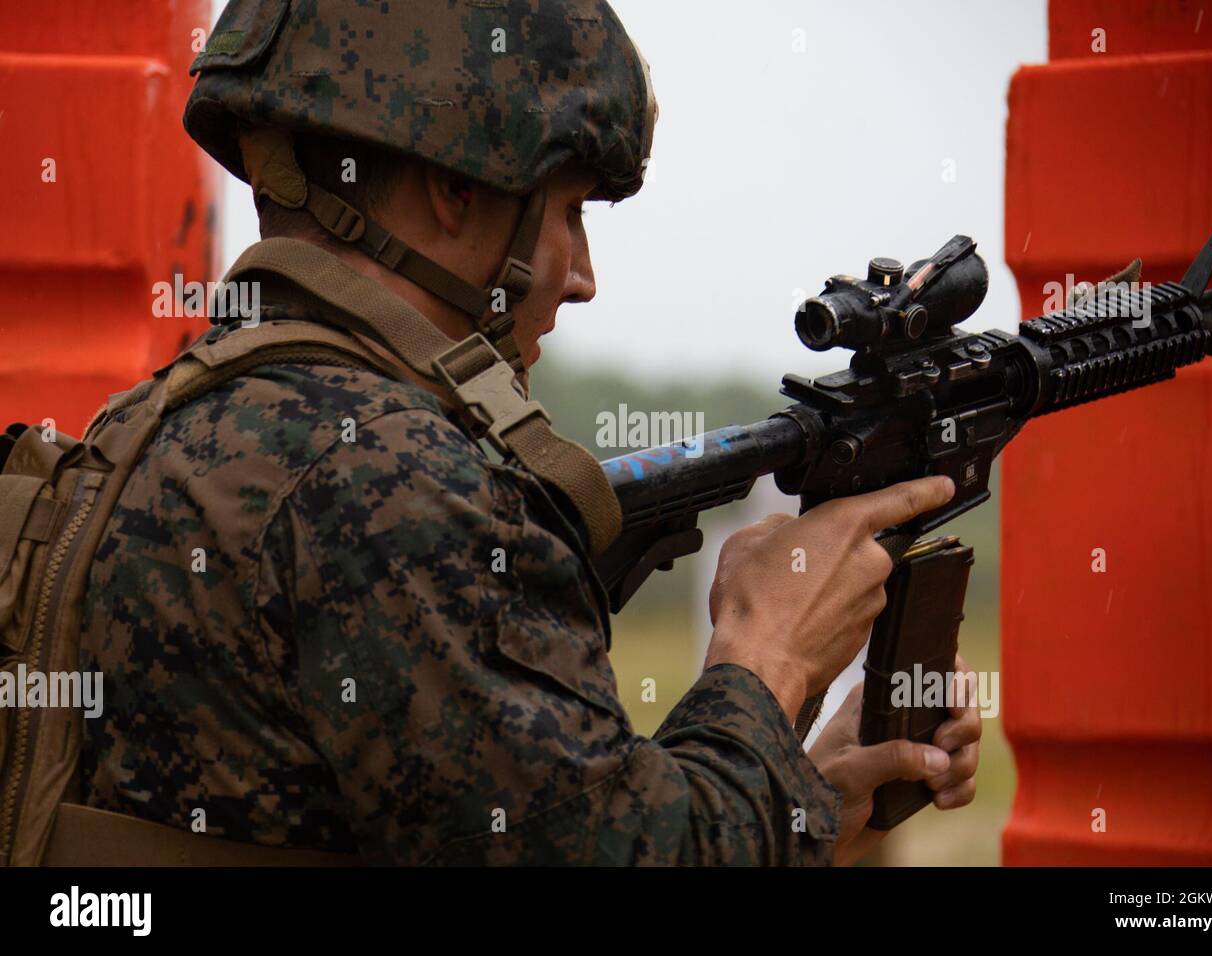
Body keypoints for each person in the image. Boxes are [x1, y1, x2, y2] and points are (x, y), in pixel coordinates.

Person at [79, 0, 980, 865]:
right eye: (570, 211)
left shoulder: (141, 431)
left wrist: (807, 803)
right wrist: (766, 654)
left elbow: (517, 828)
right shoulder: (395, 486)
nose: (582, 276)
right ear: (455, 191)